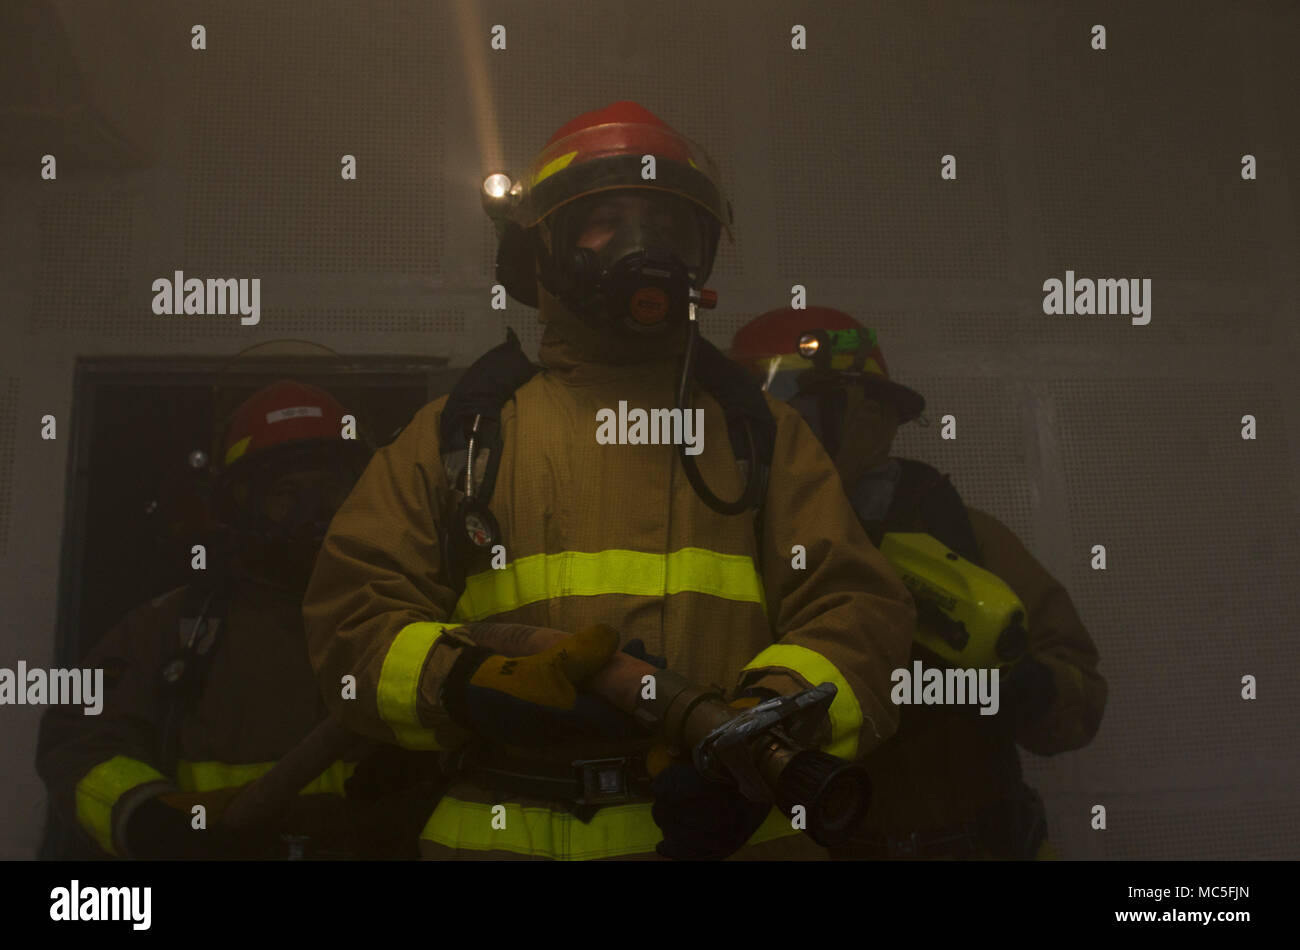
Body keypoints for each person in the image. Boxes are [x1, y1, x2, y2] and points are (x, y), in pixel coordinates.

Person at [300, 102, 916, 860]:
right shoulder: (456, 436)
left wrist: (760, 735)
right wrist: (472, 683)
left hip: (728, 837)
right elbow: (351, 628)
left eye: (668, 225)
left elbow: (857, 615)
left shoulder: (760, 436)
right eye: (610, 219)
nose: (643, 245)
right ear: (542, 250)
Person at [730, 307, 1108, 859]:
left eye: (802, 407)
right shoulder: (733, 546)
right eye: (760, 413)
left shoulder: (959, 539)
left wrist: (1028, 687)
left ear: (875, 417)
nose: (780, 432)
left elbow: (1081, 699)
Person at [37, 381, 434, 859]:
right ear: (238, 504)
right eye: (288, 492)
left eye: (330, 489)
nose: (314, 514)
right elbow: (78, 743)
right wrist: (148, 817)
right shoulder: (171, 628)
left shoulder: (406, 615)